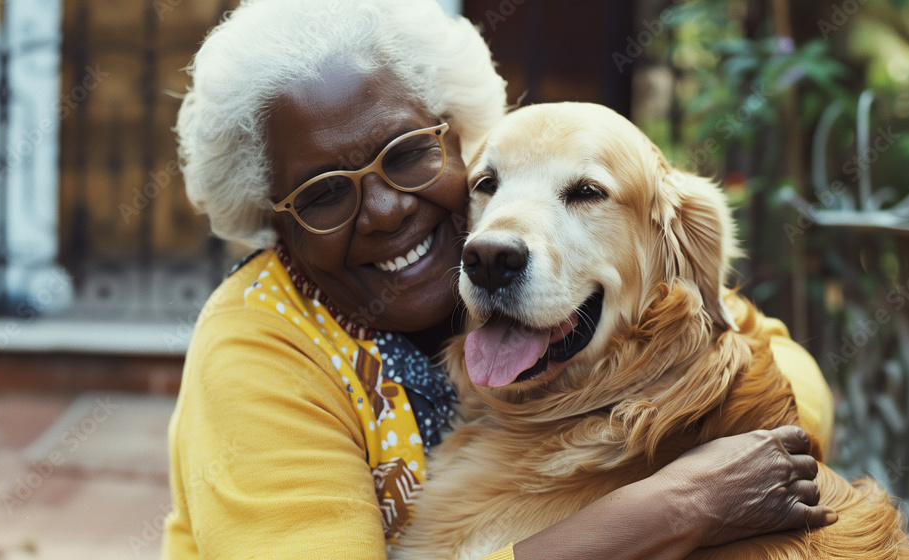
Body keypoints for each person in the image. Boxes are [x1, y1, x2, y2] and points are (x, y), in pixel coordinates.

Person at [162, 1, 837, 559]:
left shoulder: (497, 241)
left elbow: (784, 369)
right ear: (274, 219)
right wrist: (677, 504)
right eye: (323, 193)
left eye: (406, 152)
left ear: (455, 138)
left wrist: (717, 427)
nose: (387, 210)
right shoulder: (254, 346)